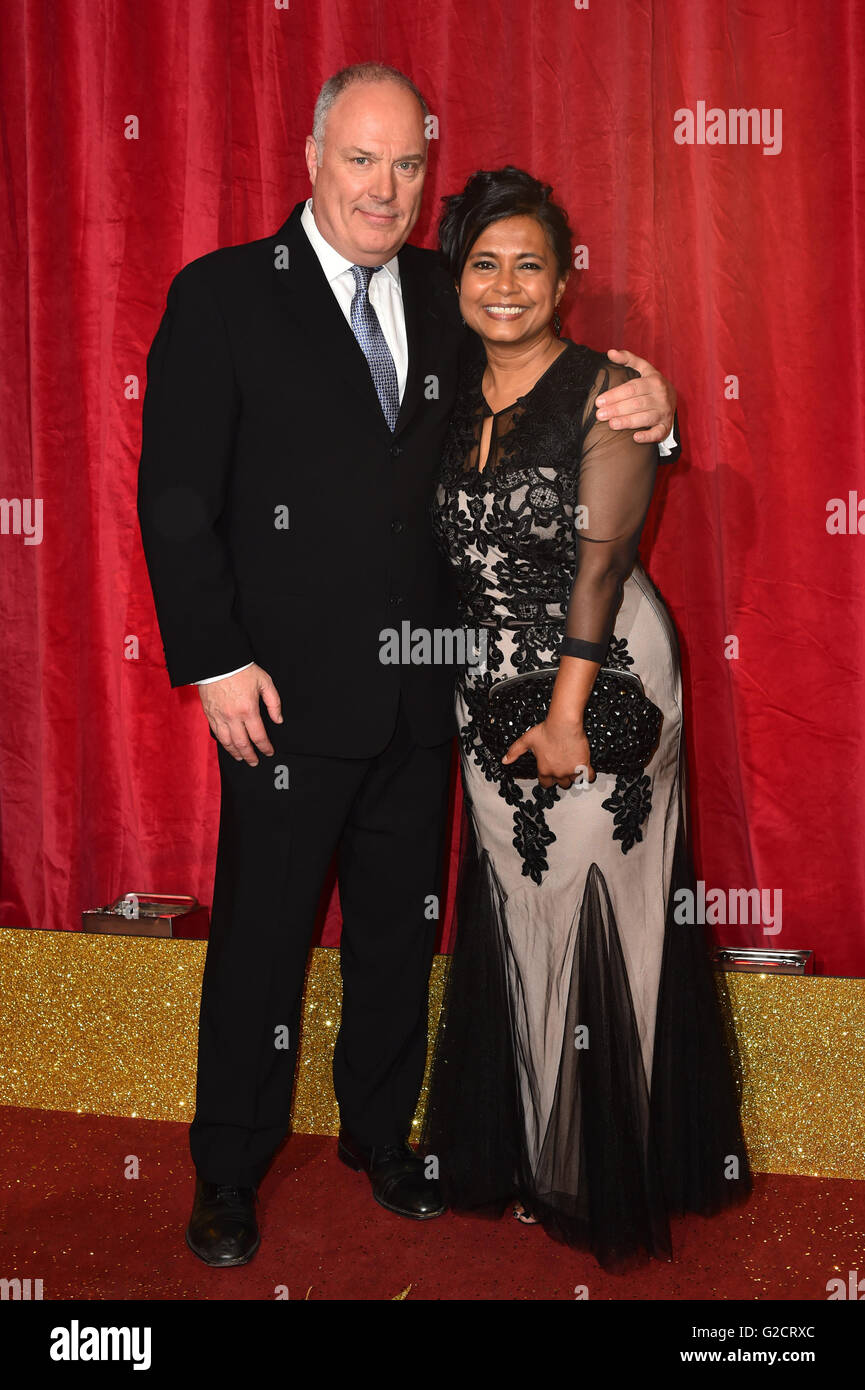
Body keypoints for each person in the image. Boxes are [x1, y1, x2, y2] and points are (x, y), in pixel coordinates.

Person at [137, 63, 679, 1268]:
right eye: (360, 161)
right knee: (263, 940)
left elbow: (557, 383)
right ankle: (226, 1168)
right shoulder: (225, 295)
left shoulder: (447, 290)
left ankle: (383, 1138)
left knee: (396, 932)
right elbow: (175, 499)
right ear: (314, 160)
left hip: (430, 687)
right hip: (275, 697)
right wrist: (215, 660)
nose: (384, 188)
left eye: (406, 165)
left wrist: (656, 402)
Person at [422, 167, 752, 1273]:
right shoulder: (451, 395)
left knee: (600, 903)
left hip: (600, 682)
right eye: (484, 263)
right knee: (523, 906)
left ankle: (607, 1163)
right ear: (455, 278)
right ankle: (536, 1144)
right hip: (485, 691)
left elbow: (603, 571)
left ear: (564, 281)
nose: (505, 284)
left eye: (530, 263)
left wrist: (565, 719)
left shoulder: (607, 392)